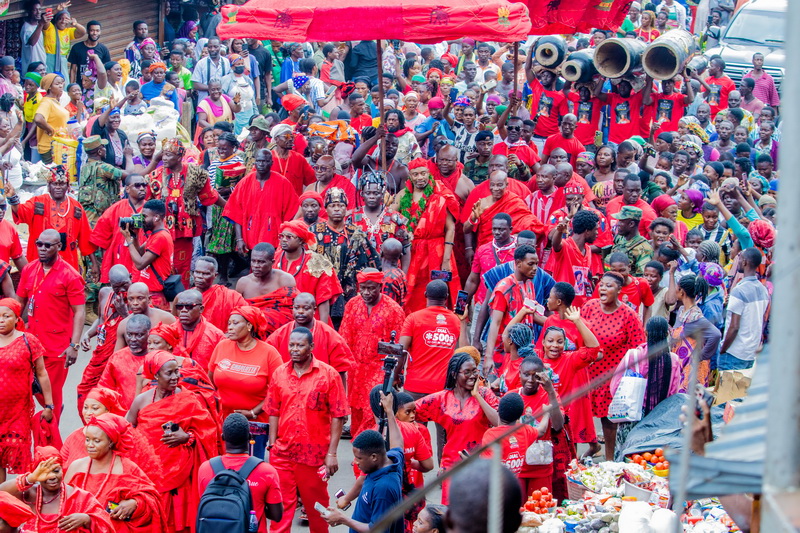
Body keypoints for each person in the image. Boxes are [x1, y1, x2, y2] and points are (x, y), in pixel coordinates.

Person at [126, 351, 220, 533]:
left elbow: (209, 431)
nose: (175, 377)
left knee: (180, 523)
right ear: (155, 376)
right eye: (169, 373)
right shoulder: (141, 401)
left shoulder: (188, 399)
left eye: (177, 371)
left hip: (181, 475)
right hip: (150, 473)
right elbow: (126, 431)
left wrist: (187, 437)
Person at [267, 326, 349, 533]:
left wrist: (332, 453)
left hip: (314, 457)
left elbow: (338, 415)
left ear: (311, 347)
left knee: (317, 510)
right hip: (283, 454)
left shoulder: (329, 375)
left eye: (300, 345)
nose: (294, 349)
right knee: (281, 509)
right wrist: (272, 444)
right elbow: (273, 410)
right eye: (291, 345)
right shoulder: (279, 374)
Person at [16, 229, 85, 427]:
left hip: (56, 348)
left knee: (51, 399)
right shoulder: (29, 269)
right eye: (39, 244)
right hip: (30, 343)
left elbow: (79, 312)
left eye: (48, 245)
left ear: (59, 247)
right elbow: (19, 303)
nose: (43, 249)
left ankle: (51, 445)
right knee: (28, 388)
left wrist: (74, 345)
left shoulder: (70, 275)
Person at [415, 352, 500, 504]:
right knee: (451, 518)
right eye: (467, 372)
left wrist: (477, 396)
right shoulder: (442, 398)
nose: (473, 375)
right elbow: (410, 411)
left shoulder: (485, 394)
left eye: (475, 371)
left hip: (480, 465)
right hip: (451, 467)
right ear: (454, 374)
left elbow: (499, 422)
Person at [580, 272, 645, 461]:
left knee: (608, 420)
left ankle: (609, 460)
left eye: (609, 286)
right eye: (601, 285)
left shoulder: (629, 316)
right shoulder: (589, 307)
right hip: (588, 372)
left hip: (613, 376)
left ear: (619, 290)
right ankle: (591, 448)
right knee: (581, 415)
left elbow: (638, 349)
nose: (603, 289)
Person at [63, 413, 165, 532]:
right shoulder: (76, 466)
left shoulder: (127, 467)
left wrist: (134, 503)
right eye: (87, 439)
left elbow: (151, 499)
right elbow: (62, 501)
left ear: (111, 442)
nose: (90, 445)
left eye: (96, 441)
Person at [145, 138, 224, 286]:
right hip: (160, 230)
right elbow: (146, 203)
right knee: (161, 264)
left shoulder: (195, 173)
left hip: (184, 230)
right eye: (164, 154)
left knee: (183, 266)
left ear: (180, 156)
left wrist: (229, 207)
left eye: (169, 155)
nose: (164, 158)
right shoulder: (155, 176)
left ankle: (182, 300)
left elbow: (209, 196)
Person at [208, 307, 283, 458]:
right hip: (222, 421)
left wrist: (253, 412)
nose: (229, 327)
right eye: (229, 323)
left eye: (235, 323)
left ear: (249, 326)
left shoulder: (269, 353)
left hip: (254, 424)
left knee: (250, 471)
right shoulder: (222, 346)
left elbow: (277, 391)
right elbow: (209, 382)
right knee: (224, 468)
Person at [339, 270, 406, 436]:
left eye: (371, 288)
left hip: (380, 369)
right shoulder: (352, 305)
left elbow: (400, 348)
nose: (366, 293)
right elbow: (344, 338)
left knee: (373, 411)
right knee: (356, 412)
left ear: (380, 287)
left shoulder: (394, 310)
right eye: (362, 288)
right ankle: (359, 455)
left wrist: (396, 376)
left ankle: (371, 454)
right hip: (356, 370)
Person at [197, 414, 284, 533]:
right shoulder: (266, 471)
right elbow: (277, 515)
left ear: (223, 437)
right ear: (249, 437)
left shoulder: (206, 468)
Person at [393, 158, 460, 312]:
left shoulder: (441, 193)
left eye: (423, 173)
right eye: (415, 174)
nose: (420, 177)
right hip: (412, 252)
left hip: (437, 251)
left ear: (429, 173)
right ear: (410, 176)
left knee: (439, 289)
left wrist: (446, 259)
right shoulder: (403, 195)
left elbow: (450, 228)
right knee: (413, 294)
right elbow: (391, 217)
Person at [0, 298, 54, 482]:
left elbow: (42, 373)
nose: (1, 320)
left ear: (16, 318)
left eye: (6, 316)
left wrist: (49, 405)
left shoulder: (28, 341)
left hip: (17, 412)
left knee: (18, 457)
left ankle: (19, 500)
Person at [0, 447, 114, 533]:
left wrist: (87, 519)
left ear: (62, 470)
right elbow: (1, 493)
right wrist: (30, 478)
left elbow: (106, 525)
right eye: (45, 472)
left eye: (56, 471)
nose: (52, 476)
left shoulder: (77, 496)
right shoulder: (28, 494)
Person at [8, 164, 95, 273]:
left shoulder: (76, 207)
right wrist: (12, 198)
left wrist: (94, 265)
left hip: (67, 263)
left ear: (68, 186)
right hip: (39, 261)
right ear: (49, 186)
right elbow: (21, 212)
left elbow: (85, 238)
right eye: (55, 184)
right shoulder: (37, 202)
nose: (58, 187)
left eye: (62, 184)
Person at [323, 420, 404, 533]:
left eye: (359, 458)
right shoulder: (392, 459)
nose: (355, 462)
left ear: (374, 457)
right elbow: (398, 444)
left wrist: (342, 519)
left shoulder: (383, 489)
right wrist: (390, 411)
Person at [485, 244, 556, 372]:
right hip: (506, 353)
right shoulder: (504, 289)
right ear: (518, 263)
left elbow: (531, 315)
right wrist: (488, 357)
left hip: (525, 351)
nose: (535, 268)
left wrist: (559, 325)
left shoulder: (530, 284)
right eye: (530, 264)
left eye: (536, 264)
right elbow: (495, 323)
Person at [310, 188, 380, 311]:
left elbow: (372, 261)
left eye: (341, 205)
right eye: (332, 205)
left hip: (350, 291)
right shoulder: (314, 231)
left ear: (346, 208)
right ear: (325, 209)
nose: (337, 209)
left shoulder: (356, 233)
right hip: (321, 290)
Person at [223, 148, 300, 251]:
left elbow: (293, 212)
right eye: (259, 161)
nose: (261, 164)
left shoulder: (283, 183)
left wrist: (286, 238)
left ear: (271, 163)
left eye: (265, 161)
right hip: (249, 237)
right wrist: (239, 239)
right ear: (255, 162)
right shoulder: (245, 182)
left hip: (275, 239)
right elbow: (236, 212)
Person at [267, 292, 354, 378]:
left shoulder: (329, 334)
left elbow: (341, 370)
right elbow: (267, 361)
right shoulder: (279, 335)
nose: (300, 311)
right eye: (297, 308)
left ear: (314, 310)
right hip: (287, 387)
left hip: (321, 388)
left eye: (306, 308)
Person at [274, 221, 343, 324]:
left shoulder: (317, 262)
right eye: (281, 236)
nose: (284, 240)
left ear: (301, 241)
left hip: (309, 319)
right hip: (278, 318)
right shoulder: (274, 258)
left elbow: (323, 299)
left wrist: (322, 328)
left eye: (289, 237)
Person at [463, 171, 546, 252]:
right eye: (492, 185)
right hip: (486, 251)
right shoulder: (482, 203)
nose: (495, 188)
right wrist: (473, 218)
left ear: (506, 185)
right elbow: (466, 230)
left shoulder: (515, 202)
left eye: (499, 185)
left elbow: (533, 225)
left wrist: (512, 239)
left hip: (508, 250)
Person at [89, 175, 147, 283]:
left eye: (144, 185)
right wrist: (106, 262)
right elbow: (100, 237)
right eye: (137, 185)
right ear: (127, 189)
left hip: (143, 259)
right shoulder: (116, 208)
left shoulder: (150, 209)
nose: (142, 188)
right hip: (120, 259)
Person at [719, 247, 769, 370]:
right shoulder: (763, 289)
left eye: (740, 258)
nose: (738, 261)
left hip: (733, 352)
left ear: (745, 262)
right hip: (750, 353)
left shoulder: (739, 291)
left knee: (727, 389)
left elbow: (734, 327)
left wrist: (723, 349)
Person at [119, 199, 173, 310]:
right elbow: (139, 253)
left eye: (144, 216)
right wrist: (135, 236)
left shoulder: (160, 237)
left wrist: (128, 240)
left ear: (156, 217)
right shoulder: (155, 235)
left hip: (154, 297)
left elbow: (140, 264)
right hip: (150, 293)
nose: (142, 220)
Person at [235, 242, 298, 335]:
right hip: (251, 338)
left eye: (261, 262)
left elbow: (294, 313)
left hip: (281, 336)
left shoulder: (285, 280)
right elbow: (238, 314)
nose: (256, 265)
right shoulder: (243, 283)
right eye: (253, 261)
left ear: (272, 262)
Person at [97, 314, 152, 409]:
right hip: (121, 416)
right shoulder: (117, 358)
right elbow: (104, 389)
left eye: (139, 335)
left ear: (149, 333)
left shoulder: (157, 359)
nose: (133, 339)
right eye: (129, 334)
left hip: (148, 416)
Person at [547, 209, 599, 307]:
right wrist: (558, 232)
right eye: (595, 229)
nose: (597, 233)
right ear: (587, 231)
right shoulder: (566, 246)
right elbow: (556, 244)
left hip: (582, 308)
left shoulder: (588, 249)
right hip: (564, 309)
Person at [164, 289, 226, 370]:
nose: (183, 310)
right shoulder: (167, 332)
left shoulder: (216, 335)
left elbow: (222, 367)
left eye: (189, 306)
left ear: (201, 309)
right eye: (179, 307)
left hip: (204, 381)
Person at [113, 282, 175, 350]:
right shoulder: (123, 325)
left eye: (140, 298)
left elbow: (178, 348)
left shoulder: (166, 319)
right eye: (131, 299)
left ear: (149, 299)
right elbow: (116, 357)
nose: (135, 303)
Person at [193, 256, 247, 331]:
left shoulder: (231, 296)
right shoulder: (185, 297)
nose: (200, 277)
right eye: (197, 272)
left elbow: (246, 316)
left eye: (205, 274)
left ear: (215, 275)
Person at [271, 123, 315, 195]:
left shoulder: (299, 158)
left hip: (294, 204)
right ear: (276, 139)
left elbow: (313, 181)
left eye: (292, 136)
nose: (291, 139)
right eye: (287, 136)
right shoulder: (267, 158)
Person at [610, 206, 654, 277]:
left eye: (621, 221)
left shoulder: (644, 248)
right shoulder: (620, 238)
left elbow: (641, 278)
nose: (618, 224)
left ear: (631, 224)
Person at [191, 38, 231, 102]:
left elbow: (229, 81)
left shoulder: (226, 62)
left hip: (223, 101)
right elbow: (195, 84)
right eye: (210, 47)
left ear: (220, 47)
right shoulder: (201, 63)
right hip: (205, 102)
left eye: (215, 47)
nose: (212, 49)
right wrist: (213, 89)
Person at [20, 0, 51, 73]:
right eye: (35, 10)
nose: (38, 12)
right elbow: (32, 42)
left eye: (39, 9)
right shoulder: (27, 28)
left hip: (41, 65)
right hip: (32, 68)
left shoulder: (37, 25)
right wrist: (41, 24)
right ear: (29, 12)